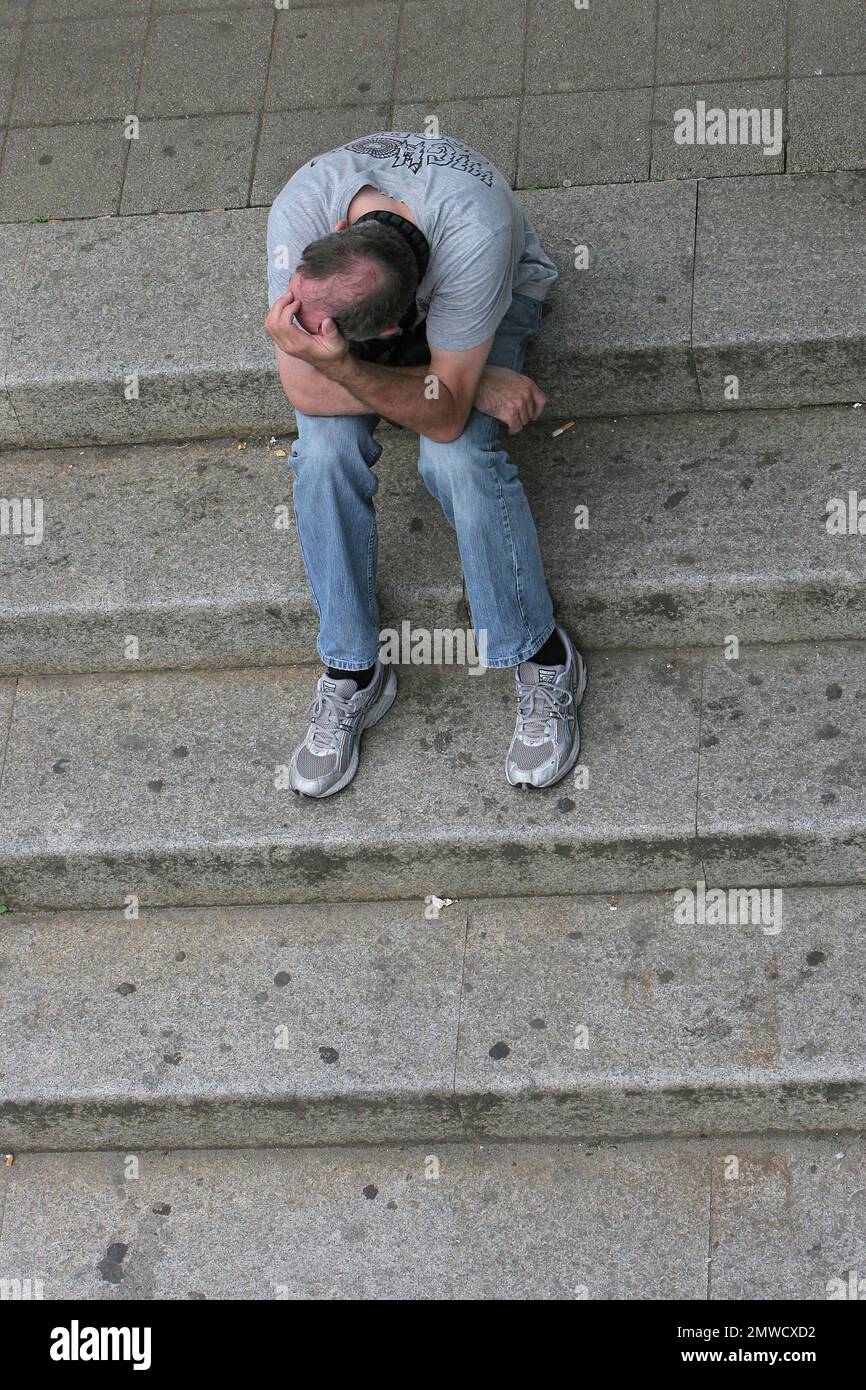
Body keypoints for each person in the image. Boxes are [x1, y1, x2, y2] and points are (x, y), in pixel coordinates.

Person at [265, 132, 586, 798]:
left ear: (384, 340)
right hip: (392, 328)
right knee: (323, 451)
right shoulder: (302, 213)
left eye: (309, 325)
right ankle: (353, 671)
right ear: (331, 235)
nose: (291, 318)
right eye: (299, 308)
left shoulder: (476, 236)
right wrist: (460, 382)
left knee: (458, 455)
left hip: (493, 294)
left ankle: (540, 651)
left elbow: (441, 419)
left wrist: (372, 373)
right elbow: (302, 391)